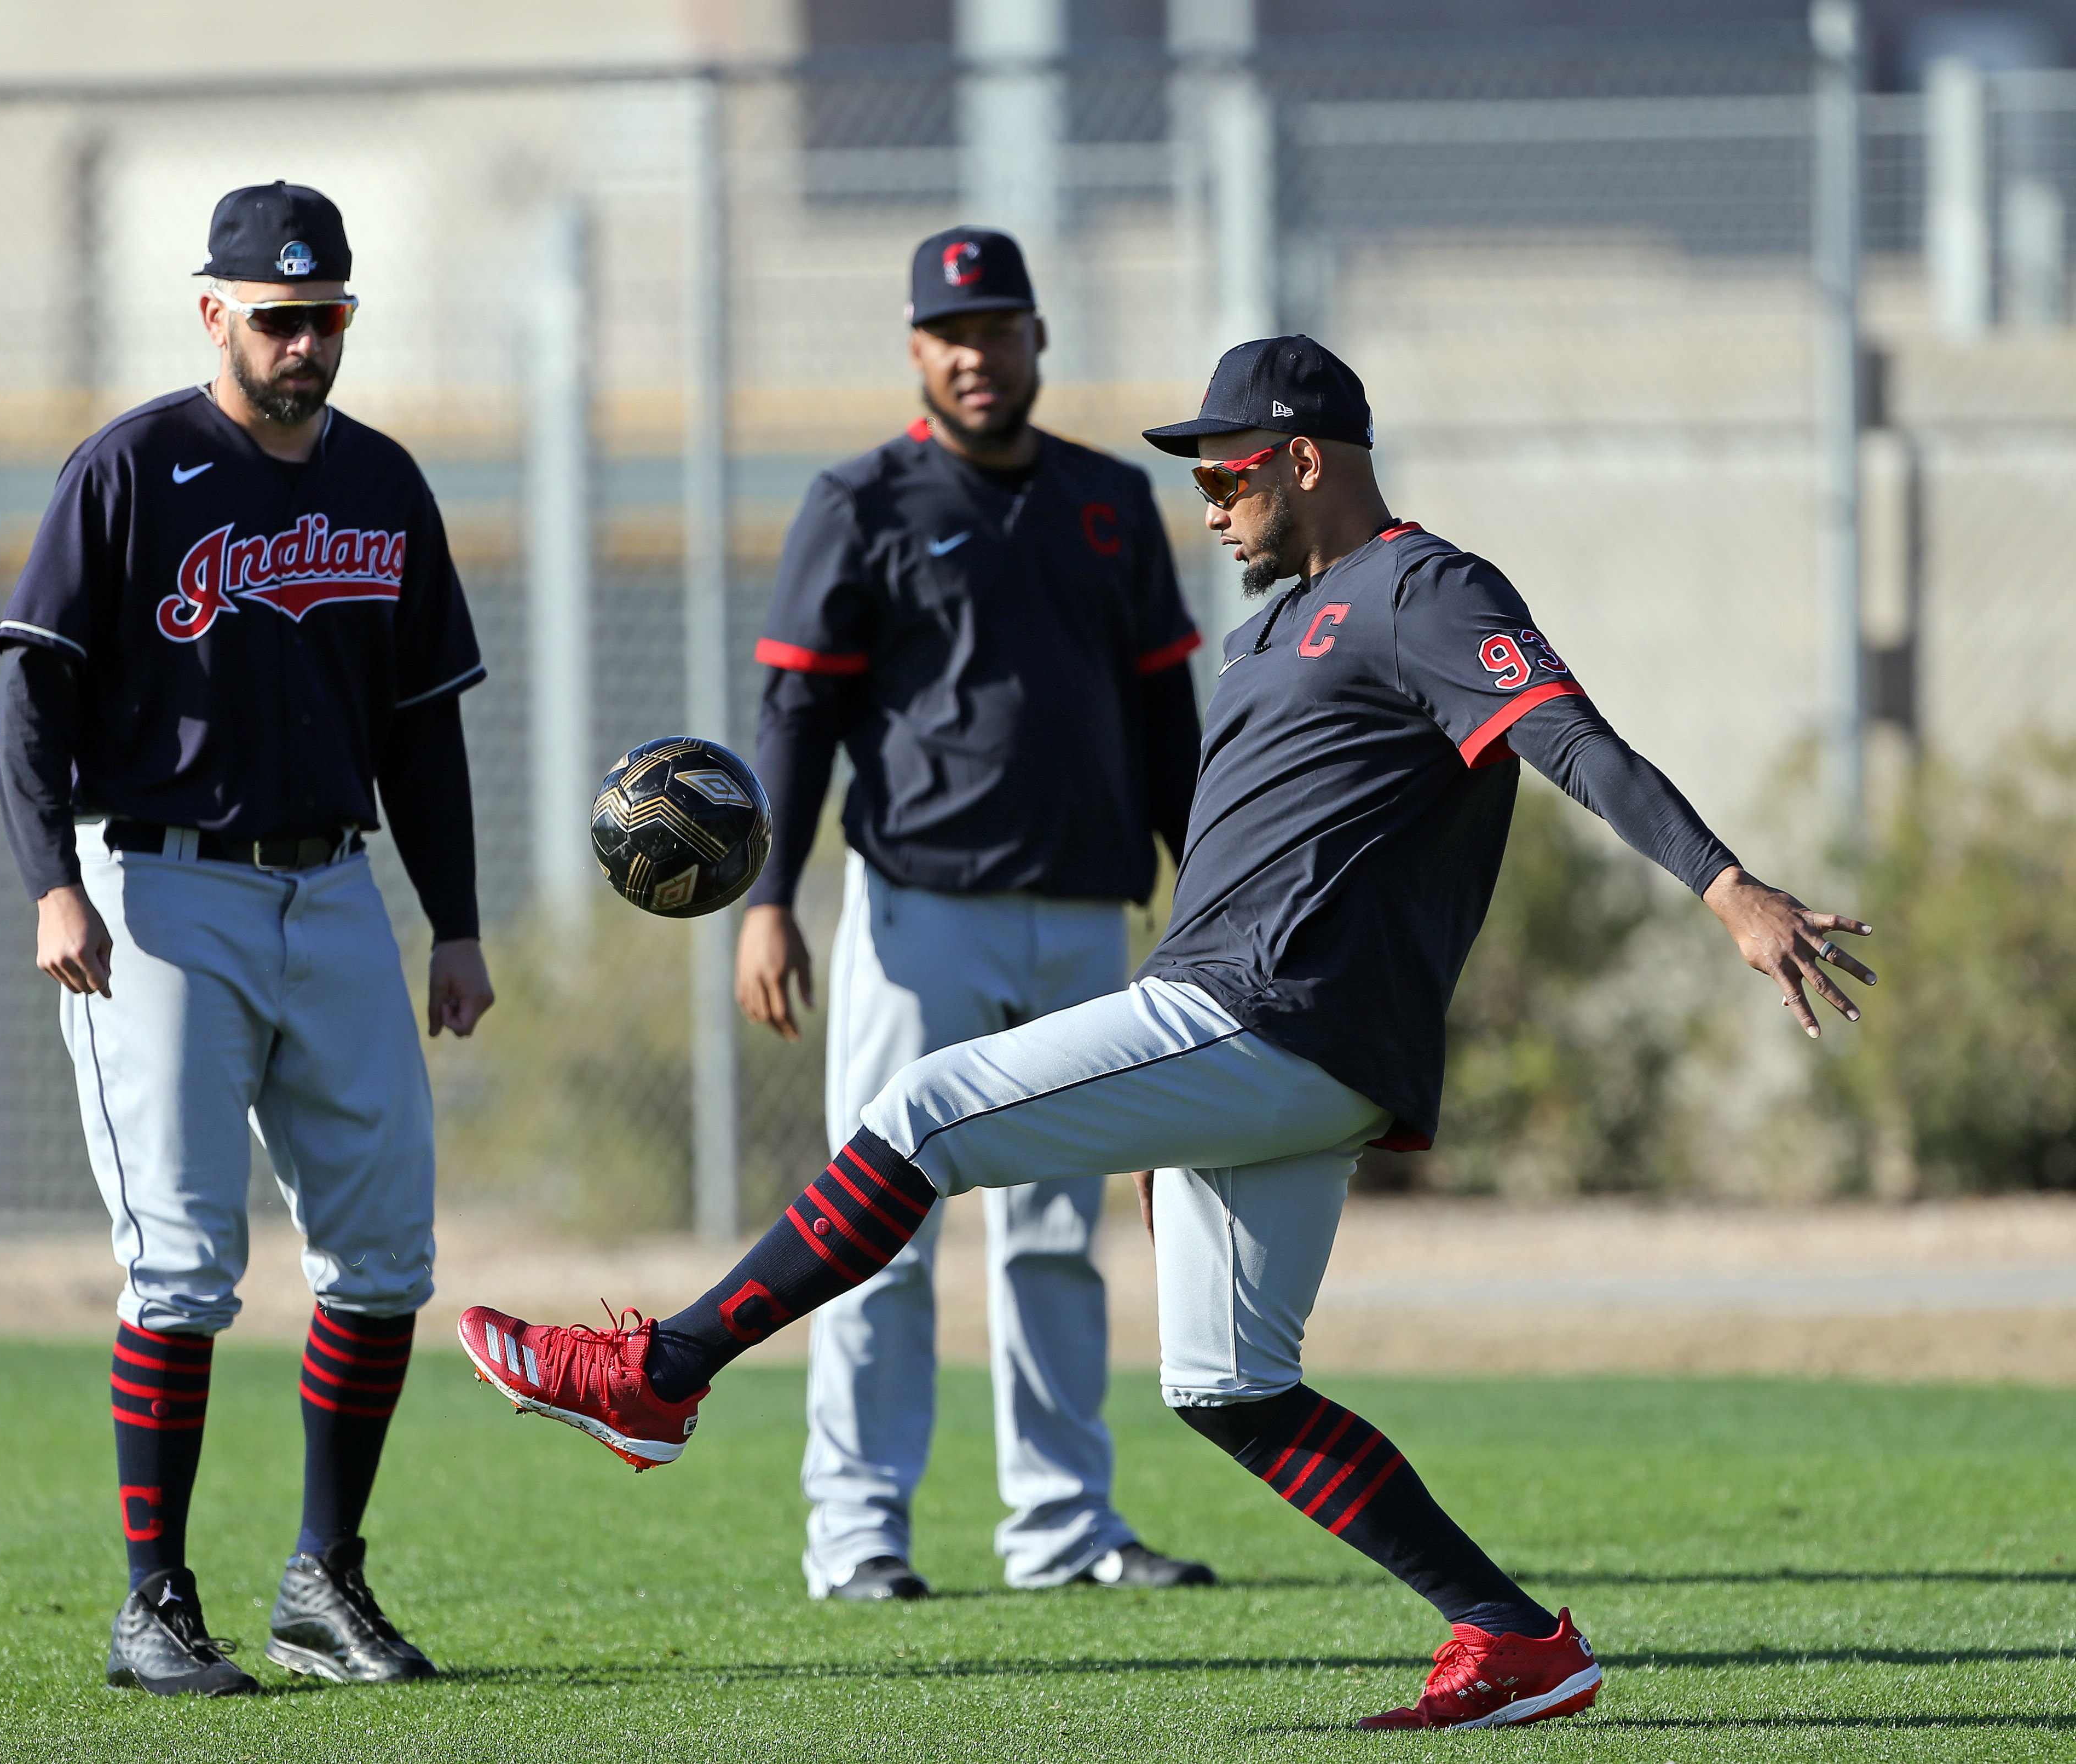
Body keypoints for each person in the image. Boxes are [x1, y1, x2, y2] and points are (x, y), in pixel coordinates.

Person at [457, 335, 1875, 1731]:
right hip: (1239, 1039)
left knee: (914, 1111)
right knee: (1226, 1383)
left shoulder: (1420, 588)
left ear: (1305, 458)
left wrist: (1723, 883)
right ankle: (1513, 1637)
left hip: (1275, 1019)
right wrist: (1154, 1106)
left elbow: (1569, 736)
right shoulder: (1267, 629)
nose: (1207, 499)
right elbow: (1228, 865)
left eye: (1229, 470)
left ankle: (657, 1374)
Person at [0, 181, 494, 1696]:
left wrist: (456, 920)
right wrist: (49, 883)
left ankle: (320, 1582)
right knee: (184, 1260)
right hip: (156, 883)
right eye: (275, 314)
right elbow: (31, 697)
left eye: (325, 312)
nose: (303, 339)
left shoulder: (386, 484)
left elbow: (422, 730)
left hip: (333, 886)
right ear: (210, 309)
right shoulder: (131, 468)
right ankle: (156, 1600)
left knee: (386, 1246)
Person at [731, 227, 1213, 1600]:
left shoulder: (1111, 499)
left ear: (1037, 338)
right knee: (877, 1229)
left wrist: (1206, 896)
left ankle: (1064, 1528)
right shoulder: (861, 498)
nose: (976, 353)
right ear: (915, 351)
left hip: (1082, 916)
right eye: (951, 331)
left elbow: (1168, 722)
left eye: (998, 326)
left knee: (1060, 1234)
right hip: (919, 913)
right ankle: (859, 1534)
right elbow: (799, 715)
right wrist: (768, 900)